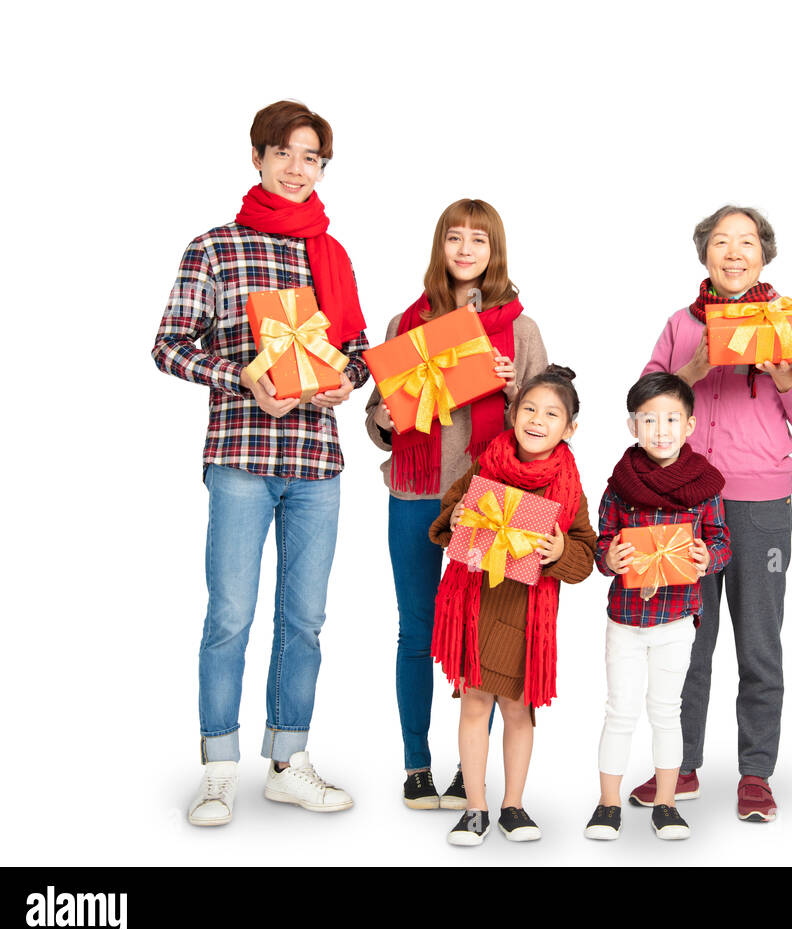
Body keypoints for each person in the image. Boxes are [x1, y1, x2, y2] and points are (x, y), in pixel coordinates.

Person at [152, 100, 370, 827]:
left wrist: (350, 378)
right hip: (242, 458)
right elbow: (170, 345)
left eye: (313, 158)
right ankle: (218, 768)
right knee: (232, 615)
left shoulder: (331, 254)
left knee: (305, 619)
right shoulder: (215, 246)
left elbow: (360, 349)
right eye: (286, 154)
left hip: (316, 459)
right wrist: (241, 376)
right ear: (258, 158)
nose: (299, 169)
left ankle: (288, 760)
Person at [633, 206, 792, 822]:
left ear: (765, 255)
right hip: (683, 499)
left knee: (759, 641)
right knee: (683, 640)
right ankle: (681, 765)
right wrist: (693, 370)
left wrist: (782, 378)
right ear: (705, 254)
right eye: (722, 241)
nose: (734, 252)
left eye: (747, 242)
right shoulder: (679, 323)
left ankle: (755, 773)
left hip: (761, 504)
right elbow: (643, 406)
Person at [364, 199, 547, 812]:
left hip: (492, 498)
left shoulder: (520, 329)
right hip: (416, 492)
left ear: (495, 251)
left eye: (479, 240)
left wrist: (513, 385)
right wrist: (385, 420)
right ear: (440, 246)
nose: (466, 250)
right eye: (455, 238)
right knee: (416, 630)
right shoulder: (404, 323)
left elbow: (548, 419)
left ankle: (467, 781)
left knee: (485, 638)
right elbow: (378, 418)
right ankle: (417, 764)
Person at [428, 365, 596, 845]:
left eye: (551, 414)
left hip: (526, 615)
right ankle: (475, 807)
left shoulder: (569, 487)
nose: (537, 420)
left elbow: (586, 552)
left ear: (570, 428)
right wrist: (457, 514)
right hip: (477, 603)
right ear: (513, 412)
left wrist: (562, 552)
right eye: (528, 409)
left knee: (519, 710)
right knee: (476, 702)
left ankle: (513, 806)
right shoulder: (485, 464)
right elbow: (450, 511)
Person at [588, 372, 732, 841]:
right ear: (633, 427)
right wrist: (608, 557)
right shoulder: (620, 484)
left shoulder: (704, 485)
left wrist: (708, 557)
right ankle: (608, 805)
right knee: (620, 711)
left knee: (666, 710)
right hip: (625, 621)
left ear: (690, 425)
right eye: (649, 420)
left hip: (676, 619)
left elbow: (722, 543)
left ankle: (667, 804)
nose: (661, 429)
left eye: (672, 418)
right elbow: (601, 546)